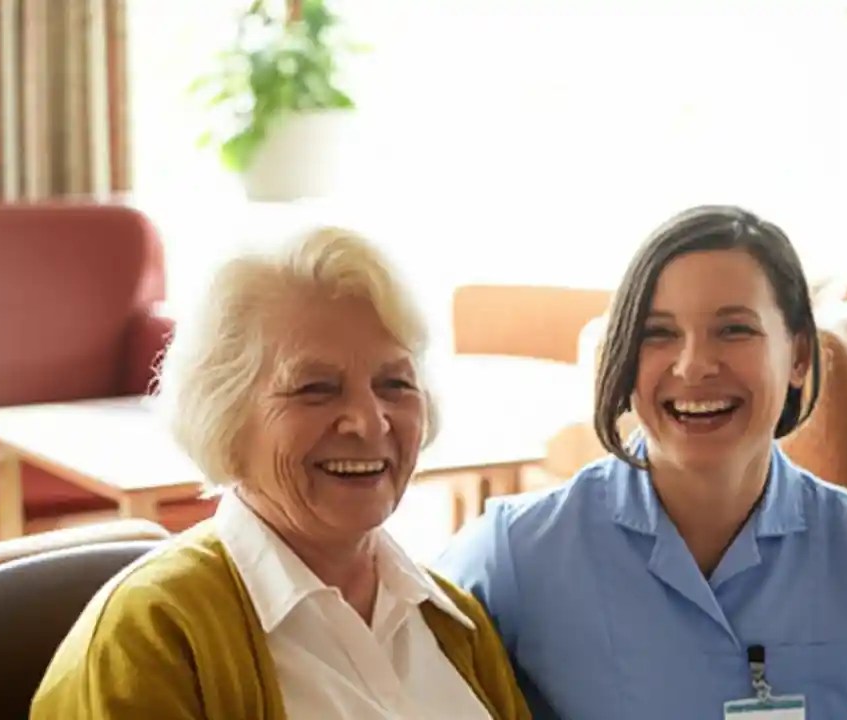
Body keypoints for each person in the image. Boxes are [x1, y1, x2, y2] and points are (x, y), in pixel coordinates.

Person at [435, 205, 847, 719]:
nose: (694, 364)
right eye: (659, 334)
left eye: (734, 329)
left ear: (798, 356)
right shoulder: (517, 551)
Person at [32, 227, 530, 720]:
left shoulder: (457, 625)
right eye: (316, 388)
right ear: (224, 413)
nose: (370, 420)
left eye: (395, 383)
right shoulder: (146, 639)